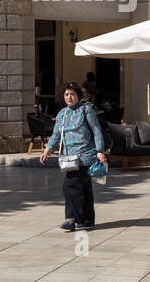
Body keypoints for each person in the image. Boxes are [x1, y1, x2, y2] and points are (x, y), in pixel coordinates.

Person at [40, 82, 107, 232]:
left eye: (72, 94)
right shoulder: (62, 113)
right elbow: (56, 134)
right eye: (66, 94)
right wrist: (47, 150)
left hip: (86, 156)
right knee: (84, 188)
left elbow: (96, 131)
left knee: (69, 186)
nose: (69, 97)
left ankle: (72, 219)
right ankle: (88, 219)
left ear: (78, 96)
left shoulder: (86, 110)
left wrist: (99, 150)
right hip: (70, 158)